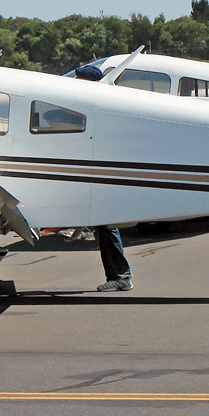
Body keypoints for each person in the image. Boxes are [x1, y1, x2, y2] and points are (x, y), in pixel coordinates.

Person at [74, 63, 134, 292]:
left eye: (80, 79)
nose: (76, 83)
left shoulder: (99, 106)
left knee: (108, 224)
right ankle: (120, 275)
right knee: (106, 224)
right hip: (103, 172)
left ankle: (121, 276)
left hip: (106, 174)